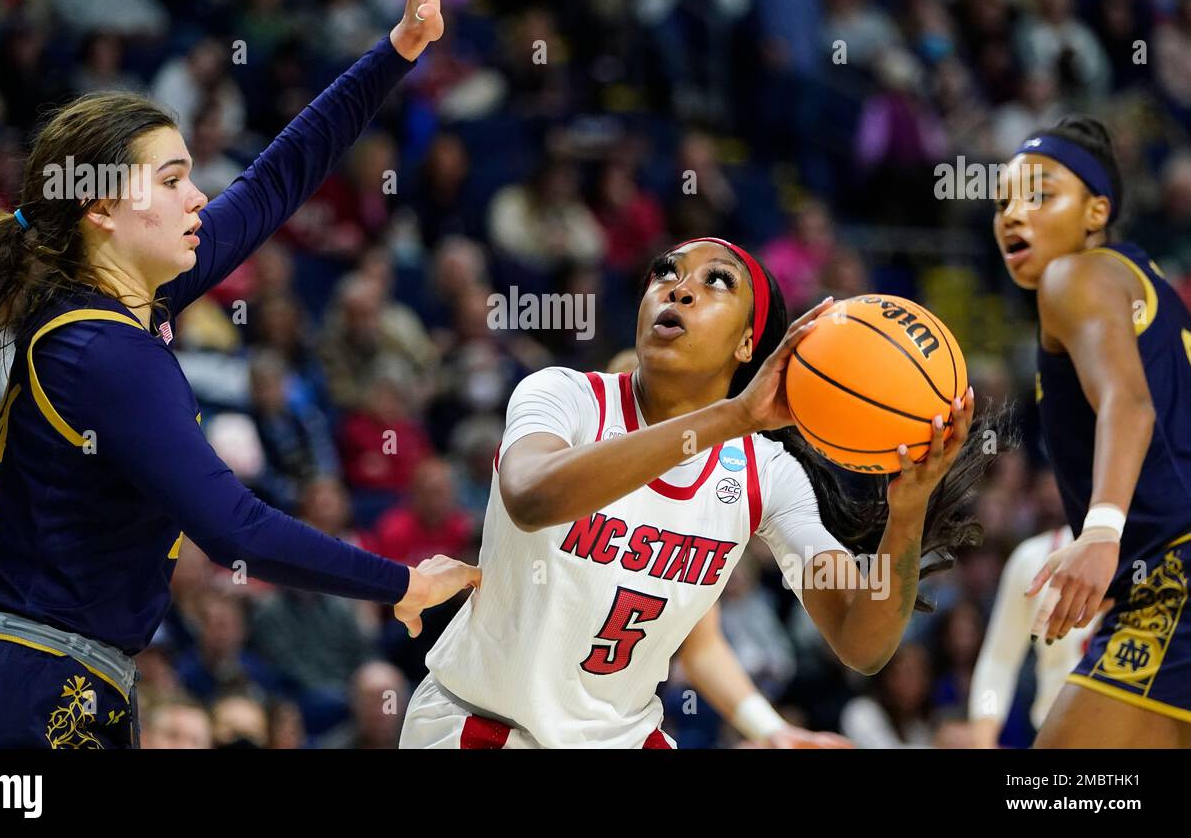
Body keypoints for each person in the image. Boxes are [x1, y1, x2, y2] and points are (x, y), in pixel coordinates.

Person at [0, 0, 478, 749]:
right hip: (20, 695)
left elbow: (277, 179)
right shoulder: (101, 351)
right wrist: (398, 580)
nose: (198, 195)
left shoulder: (121, 306)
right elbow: (232, 527)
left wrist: (401, 47)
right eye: (170, 179)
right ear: (99, 207)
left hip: (28, 685)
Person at [400, 236, 981, 748]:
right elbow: (530, 498)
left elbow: (862, 643)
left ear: (747, 347)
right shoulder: (563, 395)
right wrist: (733, 417)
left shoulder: (765, 472)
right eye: (665, 272)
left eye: (716, 281)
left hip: (625, 736)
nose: (677, 289)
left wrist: (908, 511)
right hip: (480, 728)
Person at [993, 115, 1191, 747]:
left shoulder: (1071, 276)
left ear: (1095, 210)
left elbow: (1128, 404)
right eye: (1003, 200)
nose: (1011, 215)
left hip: (1173, 575)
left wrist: (1103, 534)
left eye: (1039, 193)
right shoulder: (1148, 286)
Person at [968, 525, 1095, 747]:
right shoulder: (1032, 557)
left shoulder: (1147, 559)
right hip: (1056, 736)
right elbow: (999, 660)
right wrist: (984, 737)